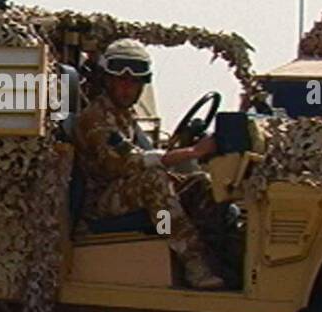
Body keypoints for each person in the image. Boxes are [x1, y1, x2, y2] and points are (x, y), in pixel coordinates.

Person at [72, 39, 229, 290]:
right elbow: (130, 162)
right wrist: (193, 151)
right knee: (155, 182)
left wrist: (187, 151)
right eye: (121, 80)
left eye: (134, 82)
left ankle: (221, 255)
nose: (127, 87)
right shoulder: (95, 119)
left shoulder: (124, 115)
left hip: (124, 190)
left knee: (199, 184)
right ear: (108, 80)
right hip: (100, 200)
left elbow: (144, 154)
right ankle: (188, 257)